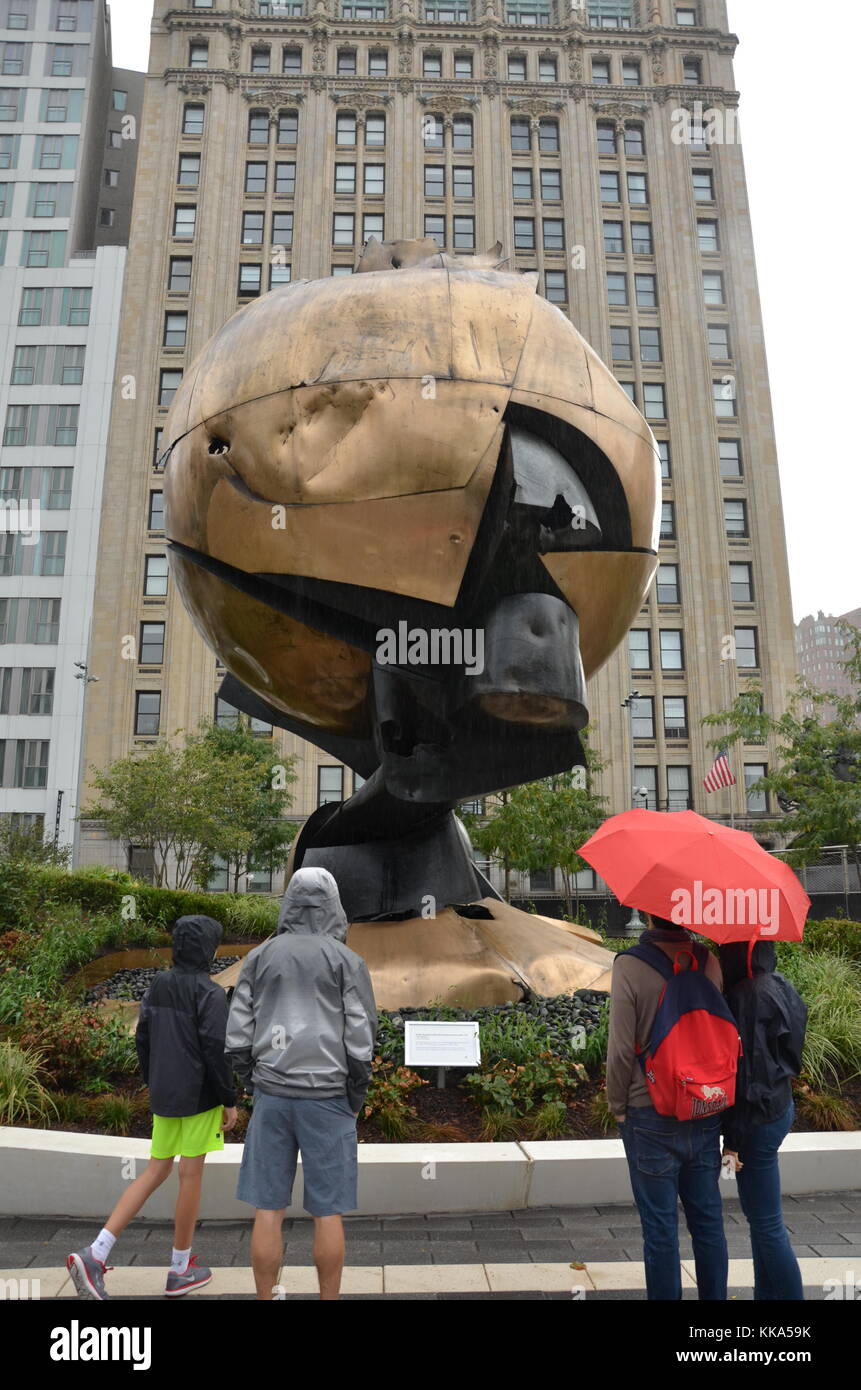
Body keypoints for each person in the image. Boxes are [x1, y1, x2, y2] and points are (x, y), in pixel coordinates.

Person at [226, 866, 377, 1301]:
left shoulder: (260, 957)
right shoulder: (347, 961)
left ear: (288, 903)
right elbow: (360, 1038)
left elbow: (236, 1034)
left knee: (268, 1210)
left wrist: (253, 1081)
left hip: (273, 1095)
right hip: (328, 1099)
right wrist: (355, 1095)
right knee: (328, 1212)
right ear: (334, 907)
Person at [66, 915, 237, 1300]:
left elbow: (142, 1039)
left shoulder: (158, 985)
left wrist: (154, 1081)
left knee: (155, 1171)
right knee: (190, 1176)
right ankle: (180, 1270)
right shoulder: (209, 994)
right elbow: (216, 1052)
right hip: (198, 1099)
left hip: (164, 1094)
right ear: (209, 950)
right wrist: (229, 1099)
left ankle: (96, 1253)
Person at [606, 911, 728, 1300]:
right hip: (704, 1106)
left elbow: (622, 1048)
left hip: (649, 1109)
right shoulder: (708, 960)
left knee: (660, 1231)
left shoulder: (629, 965)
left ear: (646, 912)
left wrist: (617, 1104)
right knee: (708, 1223)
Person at [719, 938, 807, 1301]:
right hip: (778, 1106)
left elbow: (748, 1079)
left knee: (768, 1225)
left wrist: (734, 1142)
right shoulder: (779, 984)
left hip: (756, 1120)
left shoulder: (747, 996)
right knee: (761, 1222)